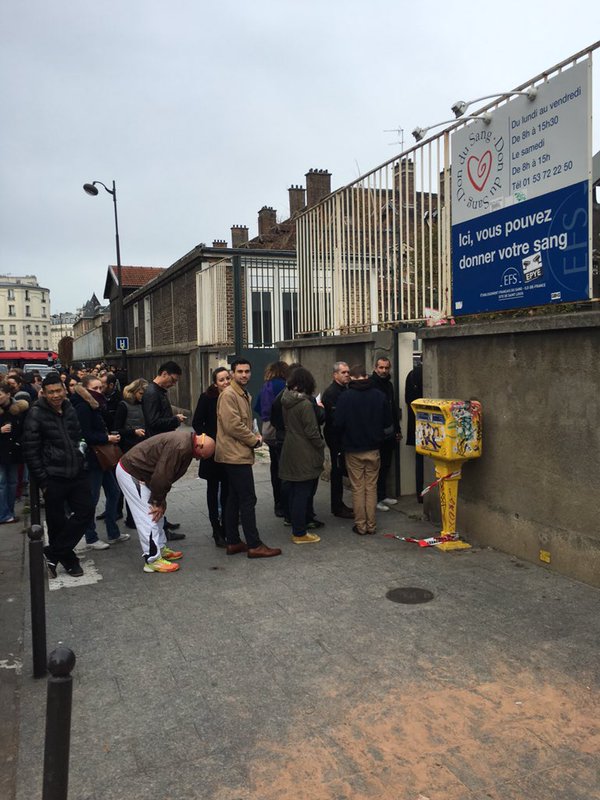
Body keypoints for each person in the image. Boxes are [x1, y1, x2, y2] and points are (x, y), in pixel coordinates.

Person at [22, 374, 95, 577]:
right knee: (56, 523)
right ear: (43, 393)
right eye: (51, 392)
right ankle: (69, 561)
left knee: (86, 511)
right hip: (53, 476)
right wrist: (43, 480)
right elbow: (30, 449)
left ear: (64, 390)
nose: (56, 395)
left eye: (59, 391)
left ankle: (52, 553)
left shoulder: (69, 407)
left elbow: (77, 435)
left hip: (76, 472)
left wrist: (82, 457)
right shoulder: (36, 413)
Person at [116, 430, 213, 573]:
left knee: (157, 512)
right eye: (200, 456)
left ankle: (160, 548)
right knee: (148, 515)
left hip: (143, 473)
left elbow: (164, 476)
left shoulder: (186, 443)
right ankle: (152, 559)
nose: (198, 459)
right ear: (199, 446)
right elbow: (162, 475)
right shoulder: (181, 446)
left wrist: (160, 501)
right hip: (132, 472)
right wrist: (157, 501)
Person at [215, 358, 281, 559]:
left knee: (234, 498)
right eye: (240, 371)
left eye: (247, 371)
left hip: (237, 453)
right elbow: (233, 425)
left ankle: (233, 541)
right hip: (235, 454)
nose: (244, 374)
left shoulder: (242, 394)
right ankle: (254, 544)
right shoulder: (229, 395)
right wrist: (254, 440)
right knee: (247, 498)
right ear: (233, 373)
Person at [70, 375, 129, 550]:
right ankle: (91, 536)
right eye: (94, 388)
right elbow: (85, 434)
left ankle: (113, 532)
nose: (98, 391)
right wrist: (107, 437)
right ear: (86, 389)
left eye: (99, 388)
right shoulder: (83, 407)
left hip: (101, 457)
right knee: (92, 499)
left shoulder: (94, 404)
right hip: (92, 458)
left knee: (114, 492)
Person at [335, 364, 393, 536]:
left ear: (352, 377)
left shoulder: (345, 397)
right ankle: (372, 525)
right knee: (371, 487)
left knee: (358, 488)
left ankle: (361, 525)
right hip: (373, 448)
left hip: (353, 449)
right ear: (367, 376)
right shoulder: (379, 395)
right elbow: (387, 422)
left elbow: (338, 424)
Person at [279, 368, 325, 544]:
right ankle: (300, 533)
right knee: (302, 493)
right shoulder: (305, 405)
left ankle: (295, 525)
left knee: (294, 491)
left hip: (290, 448)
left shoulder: (286, 401)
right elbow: (312, 431)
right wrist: (321, 445)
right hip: (304, 451)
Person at [142, 361, 186, 540]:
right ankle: (160, 530)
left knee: (160, 487)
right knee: (158, 486)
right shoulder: (152, 393)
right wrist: (175, 420)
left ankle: (163, 523)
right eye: (173, 380)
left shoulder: (158, 391)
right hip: (157, 444)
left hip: (161, 442)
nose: (173, 384)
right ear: (165, 374)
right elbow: (153, 421)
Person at [192, 367, 230, 548]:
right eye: (221, 380)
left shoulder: (233, 396)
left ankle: (226, 526)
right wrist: (208, 441)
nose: (226, 382)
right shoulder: (207, 398)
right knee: (213, 490)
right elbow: (197, 423)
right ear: (215, 383)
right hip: (212, 451)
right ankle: (216, 529)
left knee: (228, 491)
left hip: (229, 451)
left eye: (227, 378)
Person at [255, 361, 288, 517]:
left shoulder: (266, 386)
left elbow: (258, 407)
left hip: (268, 431)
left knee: (275, 466)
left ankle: (278, 504)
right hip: (281, 431)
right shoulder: (284, 385)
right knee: (284, 468)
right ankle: (285, 502)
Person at [113, 378, 148, 528]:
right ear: (134, 391)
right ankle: (130, 517)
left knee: (141, 484)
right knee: (132, 485)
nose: (143, 396)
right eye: (141, 393)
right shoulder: (123, 405)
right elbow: (116, 429)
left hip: (142, 447)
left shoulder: (144, 405)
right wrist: (133, 431)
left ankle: (136, 515)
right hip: (128, 448)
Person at [321, 361, 353, 519]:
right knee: (337, 472)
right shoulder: (332, 393)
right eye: (343, 372)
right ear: (335, 375)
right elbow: (335, 418)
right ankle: (337, 506)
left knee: (341, 471)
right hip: (336, 437)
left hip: (342, 437)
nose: (347, 374)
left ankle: (339, 505)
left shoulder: (346, 389)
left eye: (348, 372)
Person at [370, 356, 402, 511]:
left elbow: (392, 408)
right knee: (377, 467)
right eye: (381, 367)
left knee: (386, 465)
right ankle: (376, 498)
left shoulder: (388, 384)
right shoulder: (372, 384)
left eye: (386, 368)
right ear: (375, 368)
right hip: (377, 432)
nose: (383, 371)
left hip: (389, 432)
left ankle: (382, 495)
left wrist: (397, 430)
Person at [0, 381, 29, 524]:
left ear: (8, 394)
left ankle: (9, 512)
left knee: (12, 482)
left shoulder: (19, 409)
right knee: (2, 483)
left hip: (14, 450)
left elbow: (25, 429)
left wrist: (20, 442)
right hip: (1, 451)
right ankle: (3, 514)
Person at [405, 359, 424, 503]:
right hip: (430, 427)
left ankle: (420, 493)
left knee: (420, 461)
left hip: (415, 424)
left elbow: (407, 400)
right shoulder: (425, 375)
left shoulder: (411, 375)